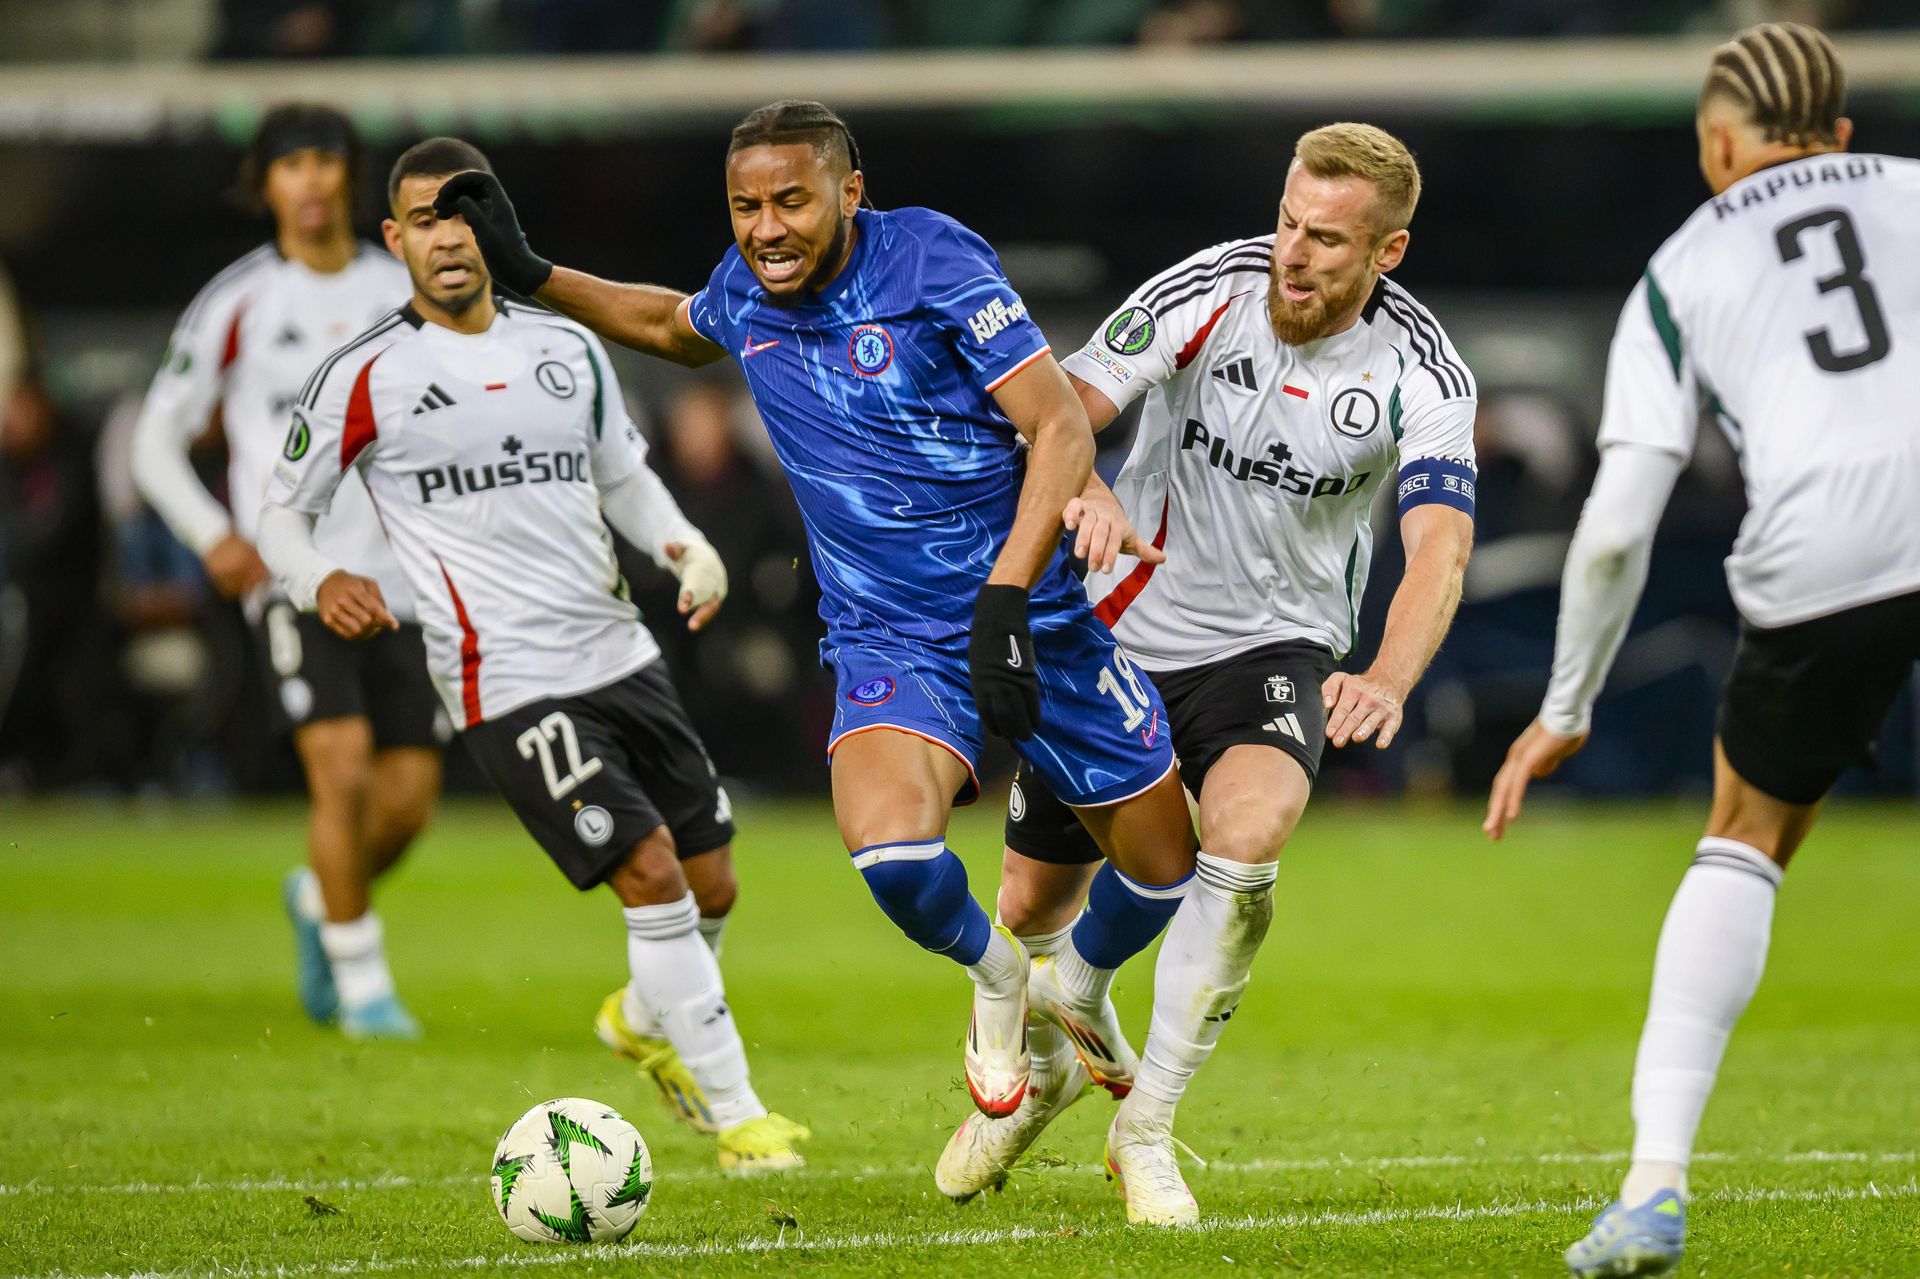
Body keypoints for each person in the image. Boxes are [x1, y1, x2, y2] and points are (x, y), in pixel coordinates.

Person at [435, 99, 1202, 1160]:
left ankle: (1078, 984)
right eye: (745, 206)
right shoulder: (751, 289)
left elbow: (1059, 424)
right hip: (891, 635)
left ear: (850, 190)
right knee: (890, 851)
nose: (766, 228)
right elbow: (669, 325)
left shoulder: (932, 258)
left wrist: (1010, 593)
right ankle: (999, 977)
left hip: (1032, 609)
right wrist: (531, 275)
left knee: (1166, 866)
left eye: (791, 199)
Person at [936, 123, 1479, 1223]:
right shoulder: (1209, 290)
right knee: (1031, 901)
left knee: (1249, 832)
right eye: (1289, 222)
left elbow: (1440, 548)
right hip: (1124, 628)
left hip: (1275, 646)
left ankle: (1146, 1128)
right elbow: (1067, 410)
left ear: (1389, 254)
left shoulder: (1425, 372)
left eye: (1328, 239)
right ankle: (1042, 1068)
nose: (1293, 251)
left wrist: (1388, 673)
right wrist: (1078, 487)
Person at [257, 137, 805, 1174]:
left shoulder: (567, 349)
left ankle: (648, 1019)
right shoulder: (366, 374)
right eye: (427, 219)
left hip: (619, 654)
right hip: (503, 678)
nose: (450, 236)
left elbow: (625, 478)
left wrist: (685, 546)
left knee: (713, 881)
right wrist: (315, 579)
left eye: (466, 214)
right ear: (396, 239)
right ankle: (738, 1116)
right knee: (648, 871)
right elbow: (284, 513)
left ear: (493, 225)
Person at [1481, 24, 1920, 1276]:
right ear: (1840, 135)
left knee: (1747, 831)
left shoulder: (1683, 268)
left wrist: (1565, 703)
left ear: (1718, 146)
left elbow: (1618, 526)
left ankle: (1654, 1186)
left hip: (1825, 552)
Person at [129, 103, 440, 1040]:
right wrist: (211, 531)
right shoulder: (237, 303)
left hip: (405, 580)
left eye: (324, 161)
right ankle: (365, 985)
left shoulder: (406, 288)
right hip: (298, 576)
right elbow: (154, 438)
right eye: (289, 165)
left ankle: (318, 894)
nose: (308, 181)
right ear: (265, 184)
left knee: (406, 805)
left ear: (351, 177)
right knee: (339, 777)